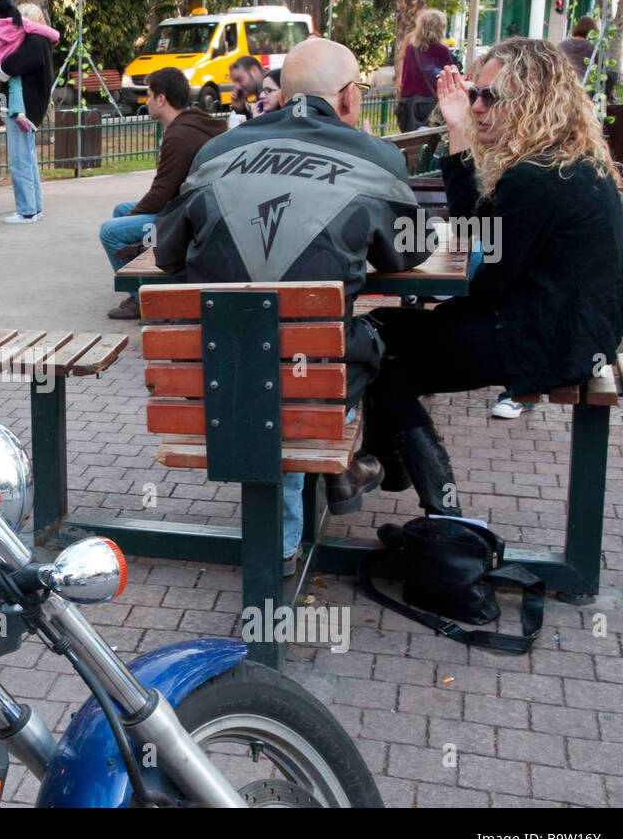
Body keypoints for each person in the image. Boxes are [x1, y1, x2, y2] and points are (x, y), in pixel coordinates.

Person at [153, 39, 434, 571]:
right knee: (361, 339)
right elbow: (414, 249)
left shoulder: (216, 154)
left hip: (211, 380)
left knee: (271, 349)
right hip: (316, 383)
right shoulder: (374, 158)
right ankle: (338, 471)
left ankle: (286, 530)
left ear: (280, 94)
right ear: (349, 98)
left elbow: (166, 254)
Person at [361, 38, 623, 518]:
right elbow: (482, 232)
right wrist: (457, 127)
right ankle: (396, 470)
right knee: (386, 336)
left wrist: (439, 313)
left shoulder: (534, 176)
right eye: (474, 93)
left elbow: (487, 280)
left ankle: (435, 507)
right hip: (574, 331)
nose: (477, 105)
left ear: (532, 99)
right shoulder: (566, 160)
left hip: (548, 341)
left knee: (378, 356)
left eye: (489, 96)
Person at [102, 67, 223, 319]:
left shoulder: (179, 136)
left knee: (110, 231)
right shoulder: (194, 120)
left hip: (189, 219)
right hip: (193, 207)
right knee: (121, 211)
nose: (146, 101)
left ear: (161, 99)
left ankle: (147, 301)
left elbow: (160, 194)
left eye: (148, 95)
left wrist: (129, 219)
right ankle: (143, 288)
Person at [0, 4, 55, 223]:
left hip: (20, 109)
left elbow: (10, 65)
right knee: (28, 160)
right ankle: (33, 208)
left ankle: (26, 211)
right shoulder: (43, 42)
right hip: (31, 110)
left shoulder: (33, 43)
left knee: (19, 161)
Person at [0, 0, 60, 132]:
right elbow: (44, 30)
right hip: (8, 71)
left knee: (6, 88)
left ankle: (0, 111)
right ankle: (11, 113)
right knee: (14, 87)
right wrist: (56, 37)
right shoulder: (26, 28)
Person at [397, 8, 456, 133]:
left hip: (408, 105)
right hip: (429, 104)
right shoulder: (441, 50)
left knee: (410, 142)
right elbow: (450, 77)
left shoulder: (410, 49)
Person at [227, 56, 264, 120]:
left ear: (254, 71)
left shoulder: (270, 92)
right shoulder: (262, 92)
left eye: (239, 79)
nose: (237, 87)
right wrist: (241, 110)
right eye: (235, 82)